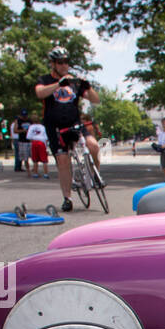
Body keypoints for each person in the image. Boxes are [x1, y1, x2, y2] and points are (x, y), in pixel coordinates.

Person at [35, 46, 101, 212]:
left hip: (74, 123)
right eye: (60, 62)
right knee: (63, 160)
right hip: (55, 126)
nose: (64, 65)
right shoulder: (45, 79)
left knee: (94, 145)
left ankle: (94, 177)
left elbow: (95, 100)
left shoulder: (74, 81)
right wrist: (58, 84)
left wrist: (88, 86)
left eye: (66, 62)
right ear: (53, 64)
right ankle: (67, 198)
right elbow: (40, 93)